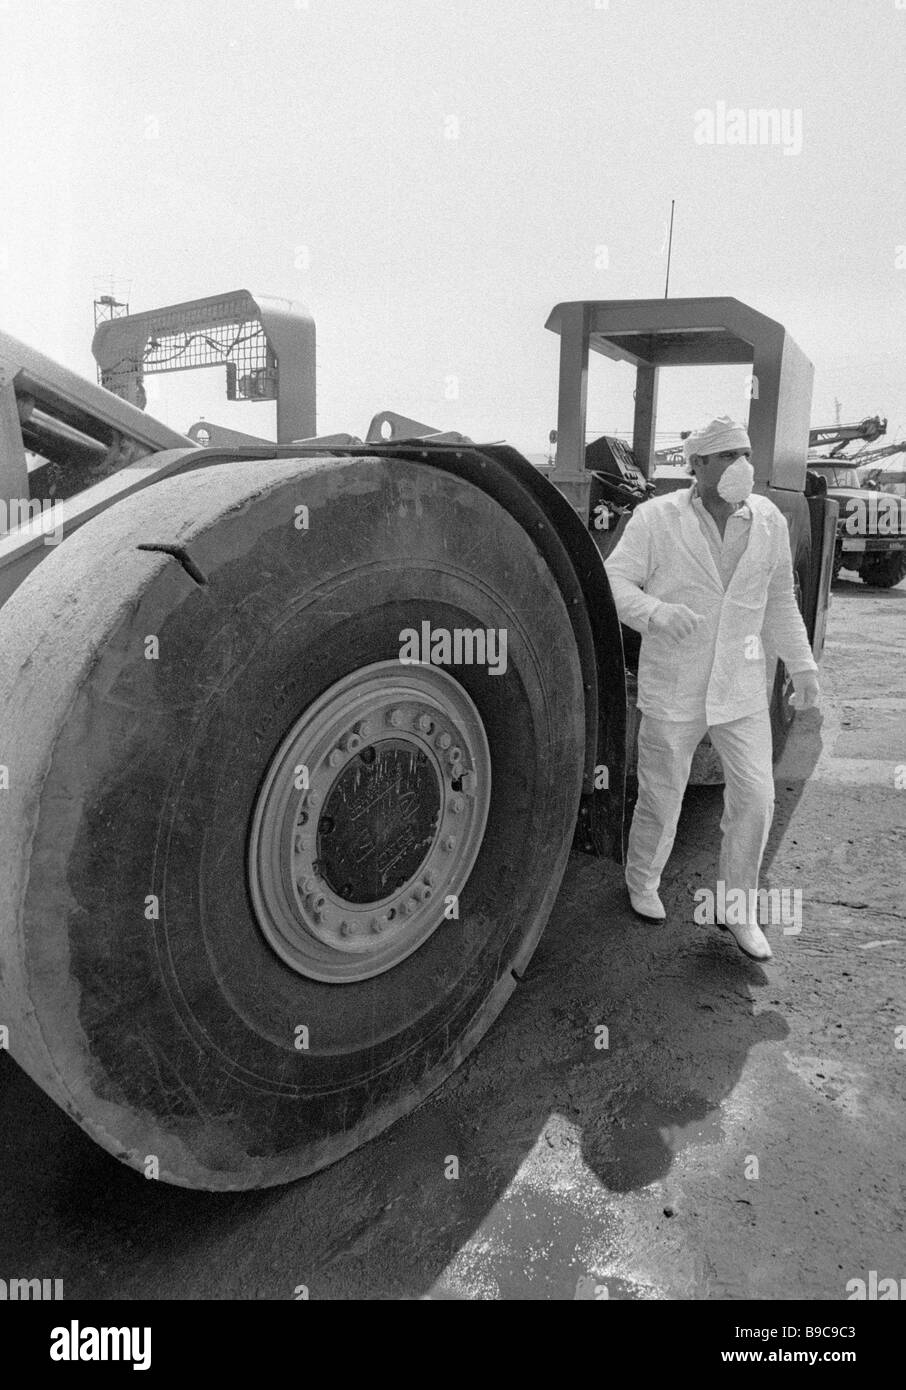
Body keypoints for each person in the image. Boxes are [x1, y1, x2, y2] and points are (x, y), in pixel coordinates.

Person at [603, 416, 820, 961]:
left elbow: (779, 601)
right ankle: (643, 880)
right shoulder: (657, 517)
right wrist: (655, 612)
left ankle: (737, 908)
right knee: (661, 792)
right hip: (675, 684)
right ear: (697, 465)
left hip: (741, 687)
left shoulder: (768, 520)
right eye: (726, 455)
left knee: (756, 796)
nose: (740, 465)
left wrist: (803, 666)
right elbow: (613, 581)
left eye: (745, 453)